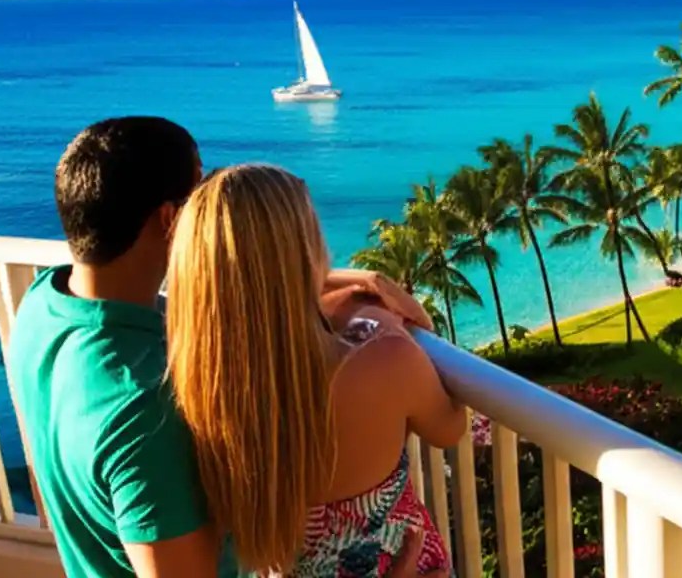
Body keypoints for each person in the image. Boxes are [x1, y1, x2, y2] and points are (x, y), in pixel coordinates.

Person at [6, 117, 433, 578]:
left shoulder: (45, 307)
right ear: (170, 220)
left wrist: (358, 280)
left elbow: (239, 288)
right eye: (201, 195)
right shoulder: (149, 407)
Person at [166, 163, 465, 577]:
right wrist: (384, 298)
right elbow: (449, 426)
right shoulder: (384, 362)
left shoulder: (199, 386)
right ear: (304, 251)